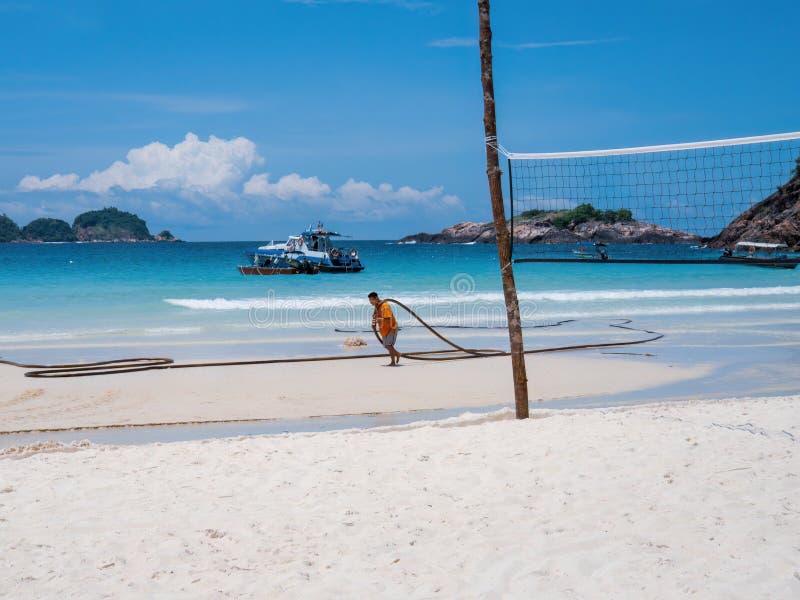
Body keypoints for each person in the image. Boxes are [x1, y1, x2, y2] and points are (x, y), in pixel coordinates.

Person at [368, 292, 400, 366]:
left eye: (371, 300)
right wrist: (374, 324)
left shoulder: (385, 306)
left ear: (376, 298)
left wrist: (377, 319)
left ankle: (395, 357)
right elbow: (376, 316)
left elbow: (388, 318)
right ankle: (395, 358)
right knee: (386, 345)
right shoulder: (377, 306)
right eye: (369, 301)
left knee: (388, 345)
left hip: (391, 328)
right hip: (384, 329)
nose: (370, 302)